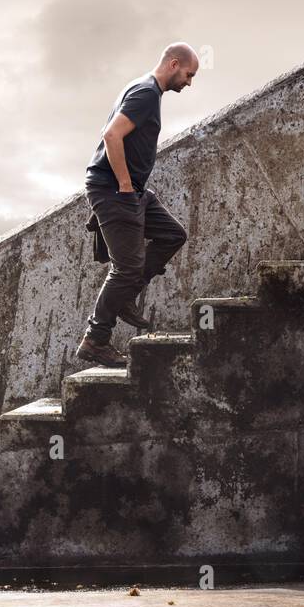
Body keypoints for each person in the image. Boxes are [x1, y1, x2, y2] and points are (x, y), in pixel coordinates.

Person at [75, 43, 196, 367]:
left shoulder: (145, 90)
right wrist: (126, 187)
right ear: (174, 64)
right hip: (115, 190)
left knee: (172, 234)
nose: (189, 82)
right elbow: (112, 136)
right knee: (126, 268)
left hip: (133, 191)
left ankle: (126, 296)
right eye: (188, 74)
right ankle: (95, 340)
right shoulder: (144, 93)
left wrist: (135, 188)